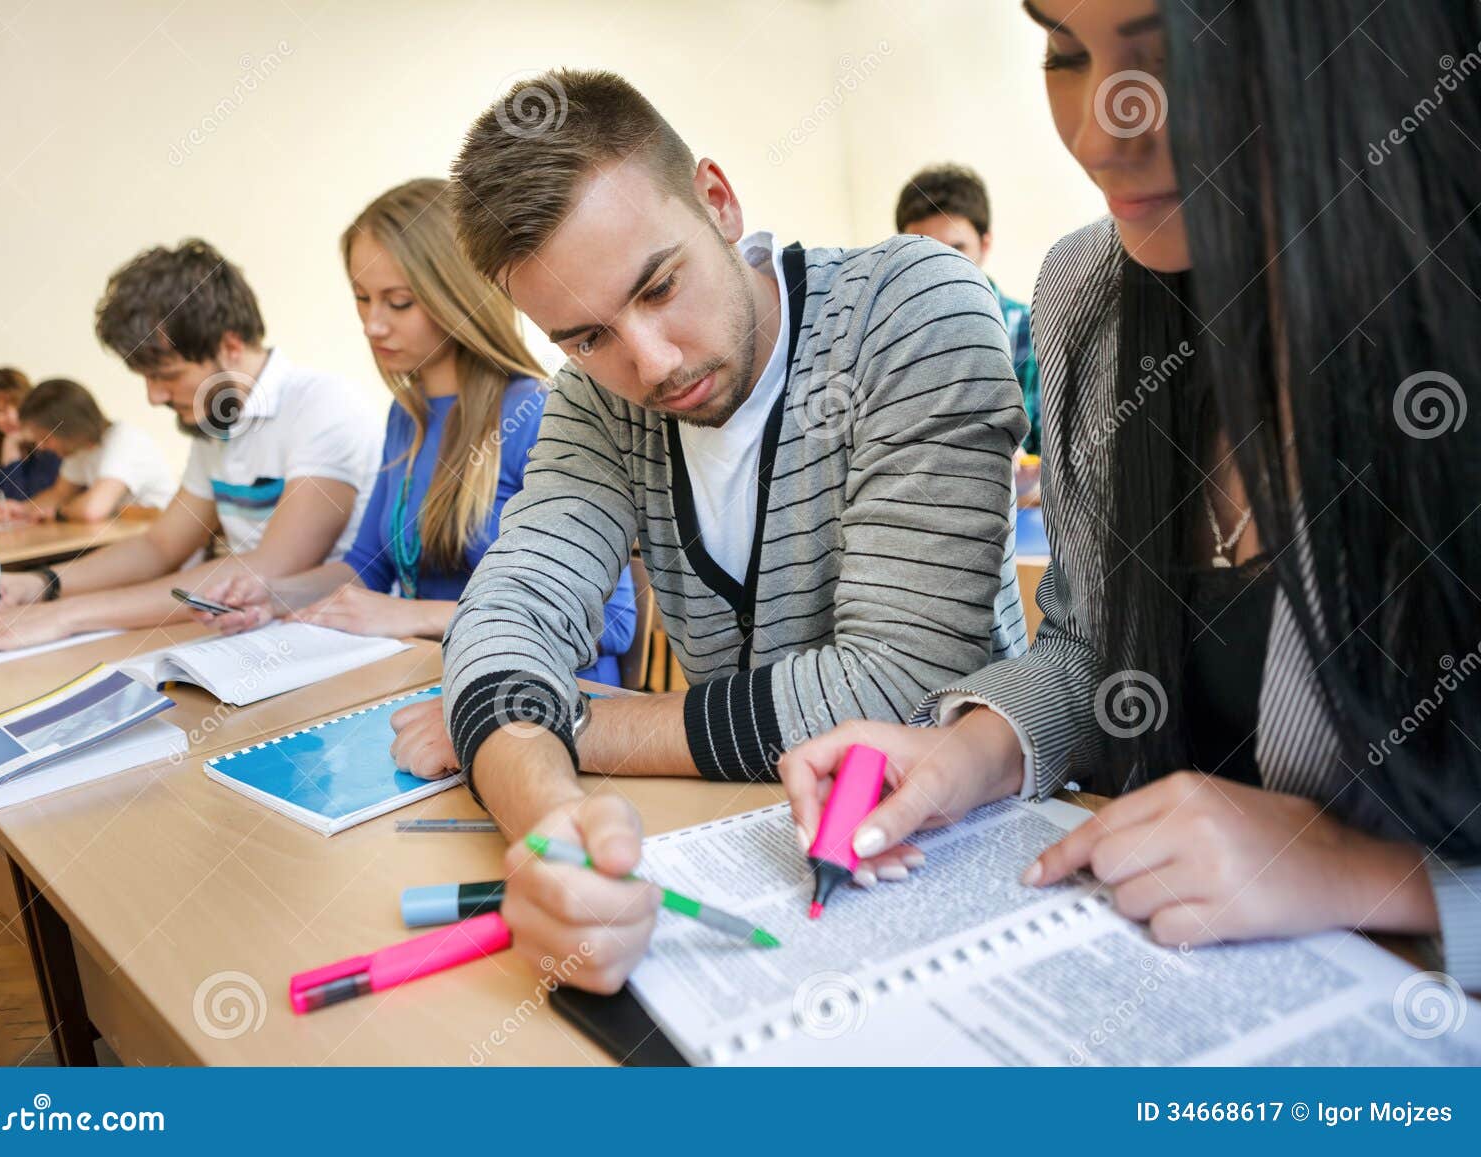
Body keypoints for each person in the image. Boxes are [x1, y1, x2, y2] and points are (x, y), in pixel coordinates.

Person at [782, 0, 1481, 994]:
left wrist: (1358, 872)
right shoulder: (1088, 292)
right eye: (1065, 52)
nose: (1100, 136)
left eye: (1178, 61)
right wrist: (970, 753)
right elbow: (1091, 643)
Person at [393, 69, 1029, 994]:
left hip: (960, 862)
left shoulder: (911, 305)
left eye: (659, 286)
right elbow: (506, 618)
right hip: (751, 856)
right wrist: (551, 823)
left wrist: (564, 721)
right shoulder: (594, 402)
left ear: (719, 203)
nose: (650, 364)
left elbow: (899, 687)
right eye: (586, 337)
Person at [195, 179, 637, 684]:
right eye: (362, 298)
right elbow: (368, 566)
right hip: (438, 676)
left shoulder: (541, 414)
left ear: (457, 295)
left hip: (544, 693)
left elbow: (615, 622)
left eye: (398, 302)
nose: (372, 325)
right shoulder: (407, 416)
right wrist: (273, 595)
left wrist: (413, 614)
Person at [0, 239, 382, 663]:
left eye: (166, 376)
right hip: (261, 634)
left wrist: (66, 615)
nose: (154, 397)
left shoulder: (322, 406)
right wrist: (44, 584)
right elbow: (159, 545)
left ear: (229, 346)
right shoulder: (218, 424)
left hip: (342, 641)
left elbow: (271, 567)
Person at [896, 163, 1042, 502]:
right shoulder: (886, 342)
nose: (940, 268)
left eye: (956, 249)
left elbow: (1073, 469)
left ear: (984, 245)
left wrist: (1028, 485)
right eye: (922, 251)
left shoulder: (1035, 330)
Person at [0, 377, 175, 523]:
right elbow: (58, 494)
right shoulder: (79, 450)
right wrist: (20, 510)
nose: (41, 446)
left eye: (45, 437)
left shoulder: (124, 440)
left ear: (68, 428)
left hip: (164, 539)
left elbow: (92, 510)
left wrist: (58, 512)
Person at [0, 367, 61, 519]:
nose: (11, 418)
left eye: (17, 407)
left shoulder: (50, 445)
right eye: (0, 411)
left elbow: (24, 505)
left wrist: (12, 458)